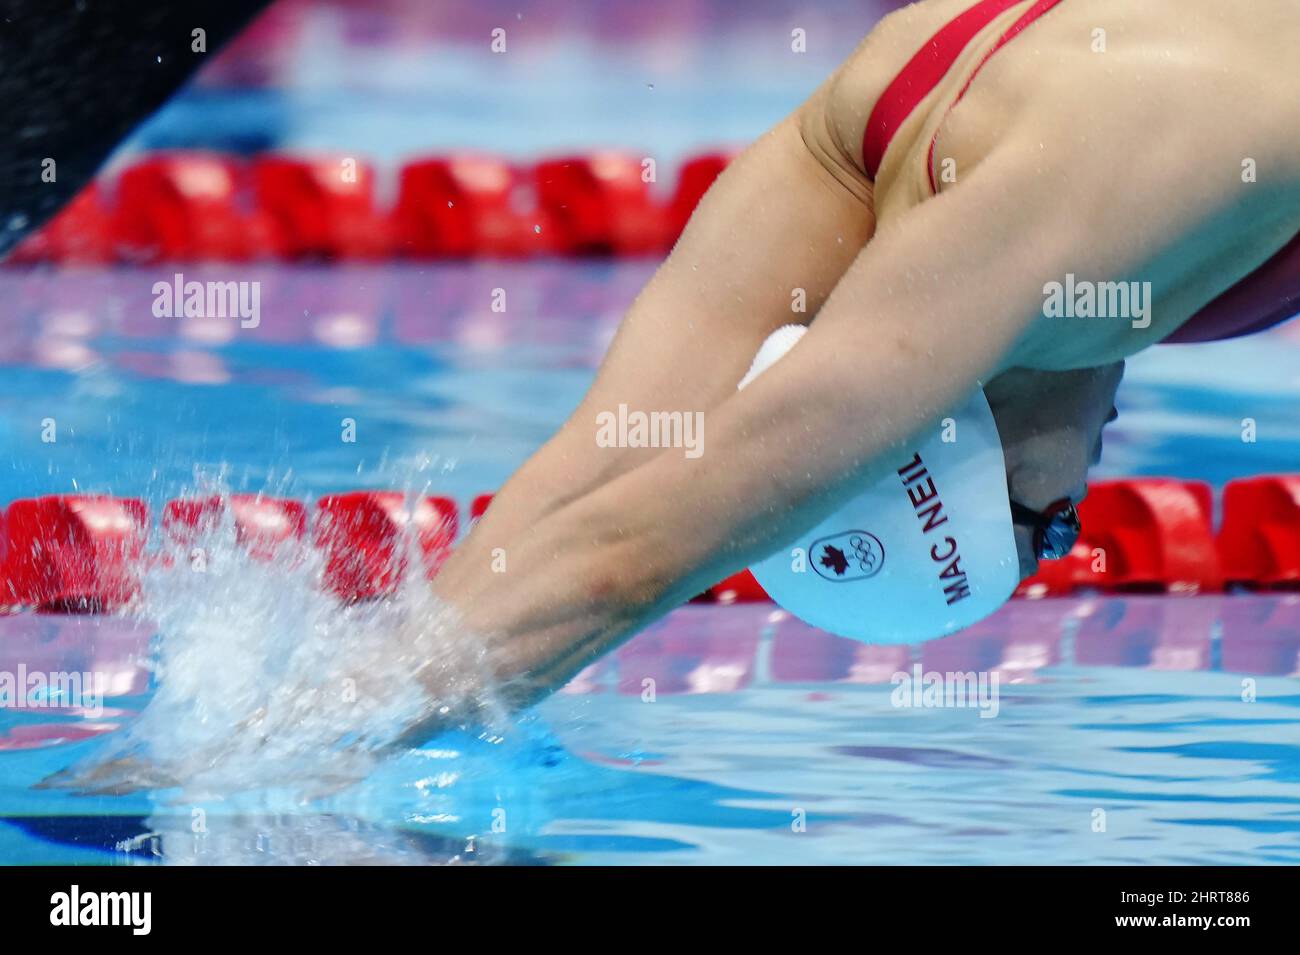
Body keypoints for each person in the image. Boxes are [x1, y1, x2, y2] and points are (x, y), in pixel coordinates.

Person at [423, 0, 1300, 710]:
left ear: (948, 448)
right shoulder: (939, 151)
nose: (1081, 501)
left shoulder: (1064, 273)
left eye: (1056, 526)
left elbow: (625, 551)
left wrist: (327, 744)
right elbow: (596, 506)